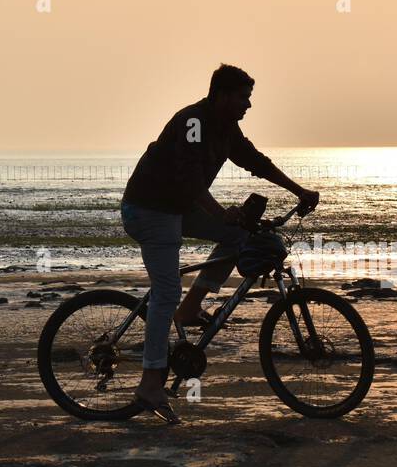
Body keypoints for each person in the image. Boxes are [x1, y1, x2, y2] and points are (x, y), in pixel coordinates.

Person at [120, 64, 318, 422]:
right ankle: (150, 384)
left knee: (242, 235)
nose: (248, 105)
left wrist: (297, 189)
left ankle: (191, 307)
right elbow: (188, 176)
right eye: (243, 98)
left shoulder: (228, 128)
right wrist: (218, 211)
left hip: (177, 209)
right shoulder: (193, 122)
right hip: (149, 209)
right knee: (165, 292)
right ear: (222, 95)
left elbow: (256, 162)